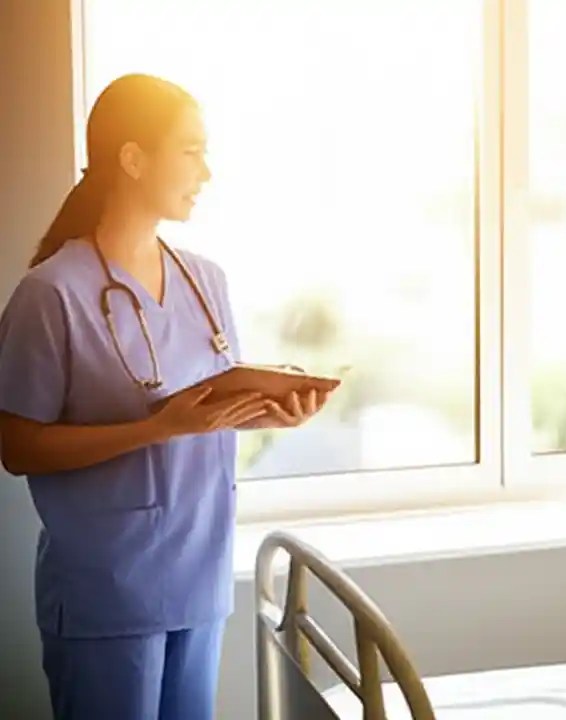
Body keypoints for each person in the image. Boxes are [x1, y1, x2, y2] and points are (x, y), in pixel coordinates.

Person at [0, 74, 328, 720]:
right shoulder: (51, 294)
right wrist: (154, 429)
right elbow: (15, 446)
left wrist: (272, 410)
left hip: (199, 581)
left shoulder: (205, 281)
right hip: (107, 596)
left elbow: (204, 415)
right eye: (191, 151)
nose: (206, 171)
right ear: (132, 158)